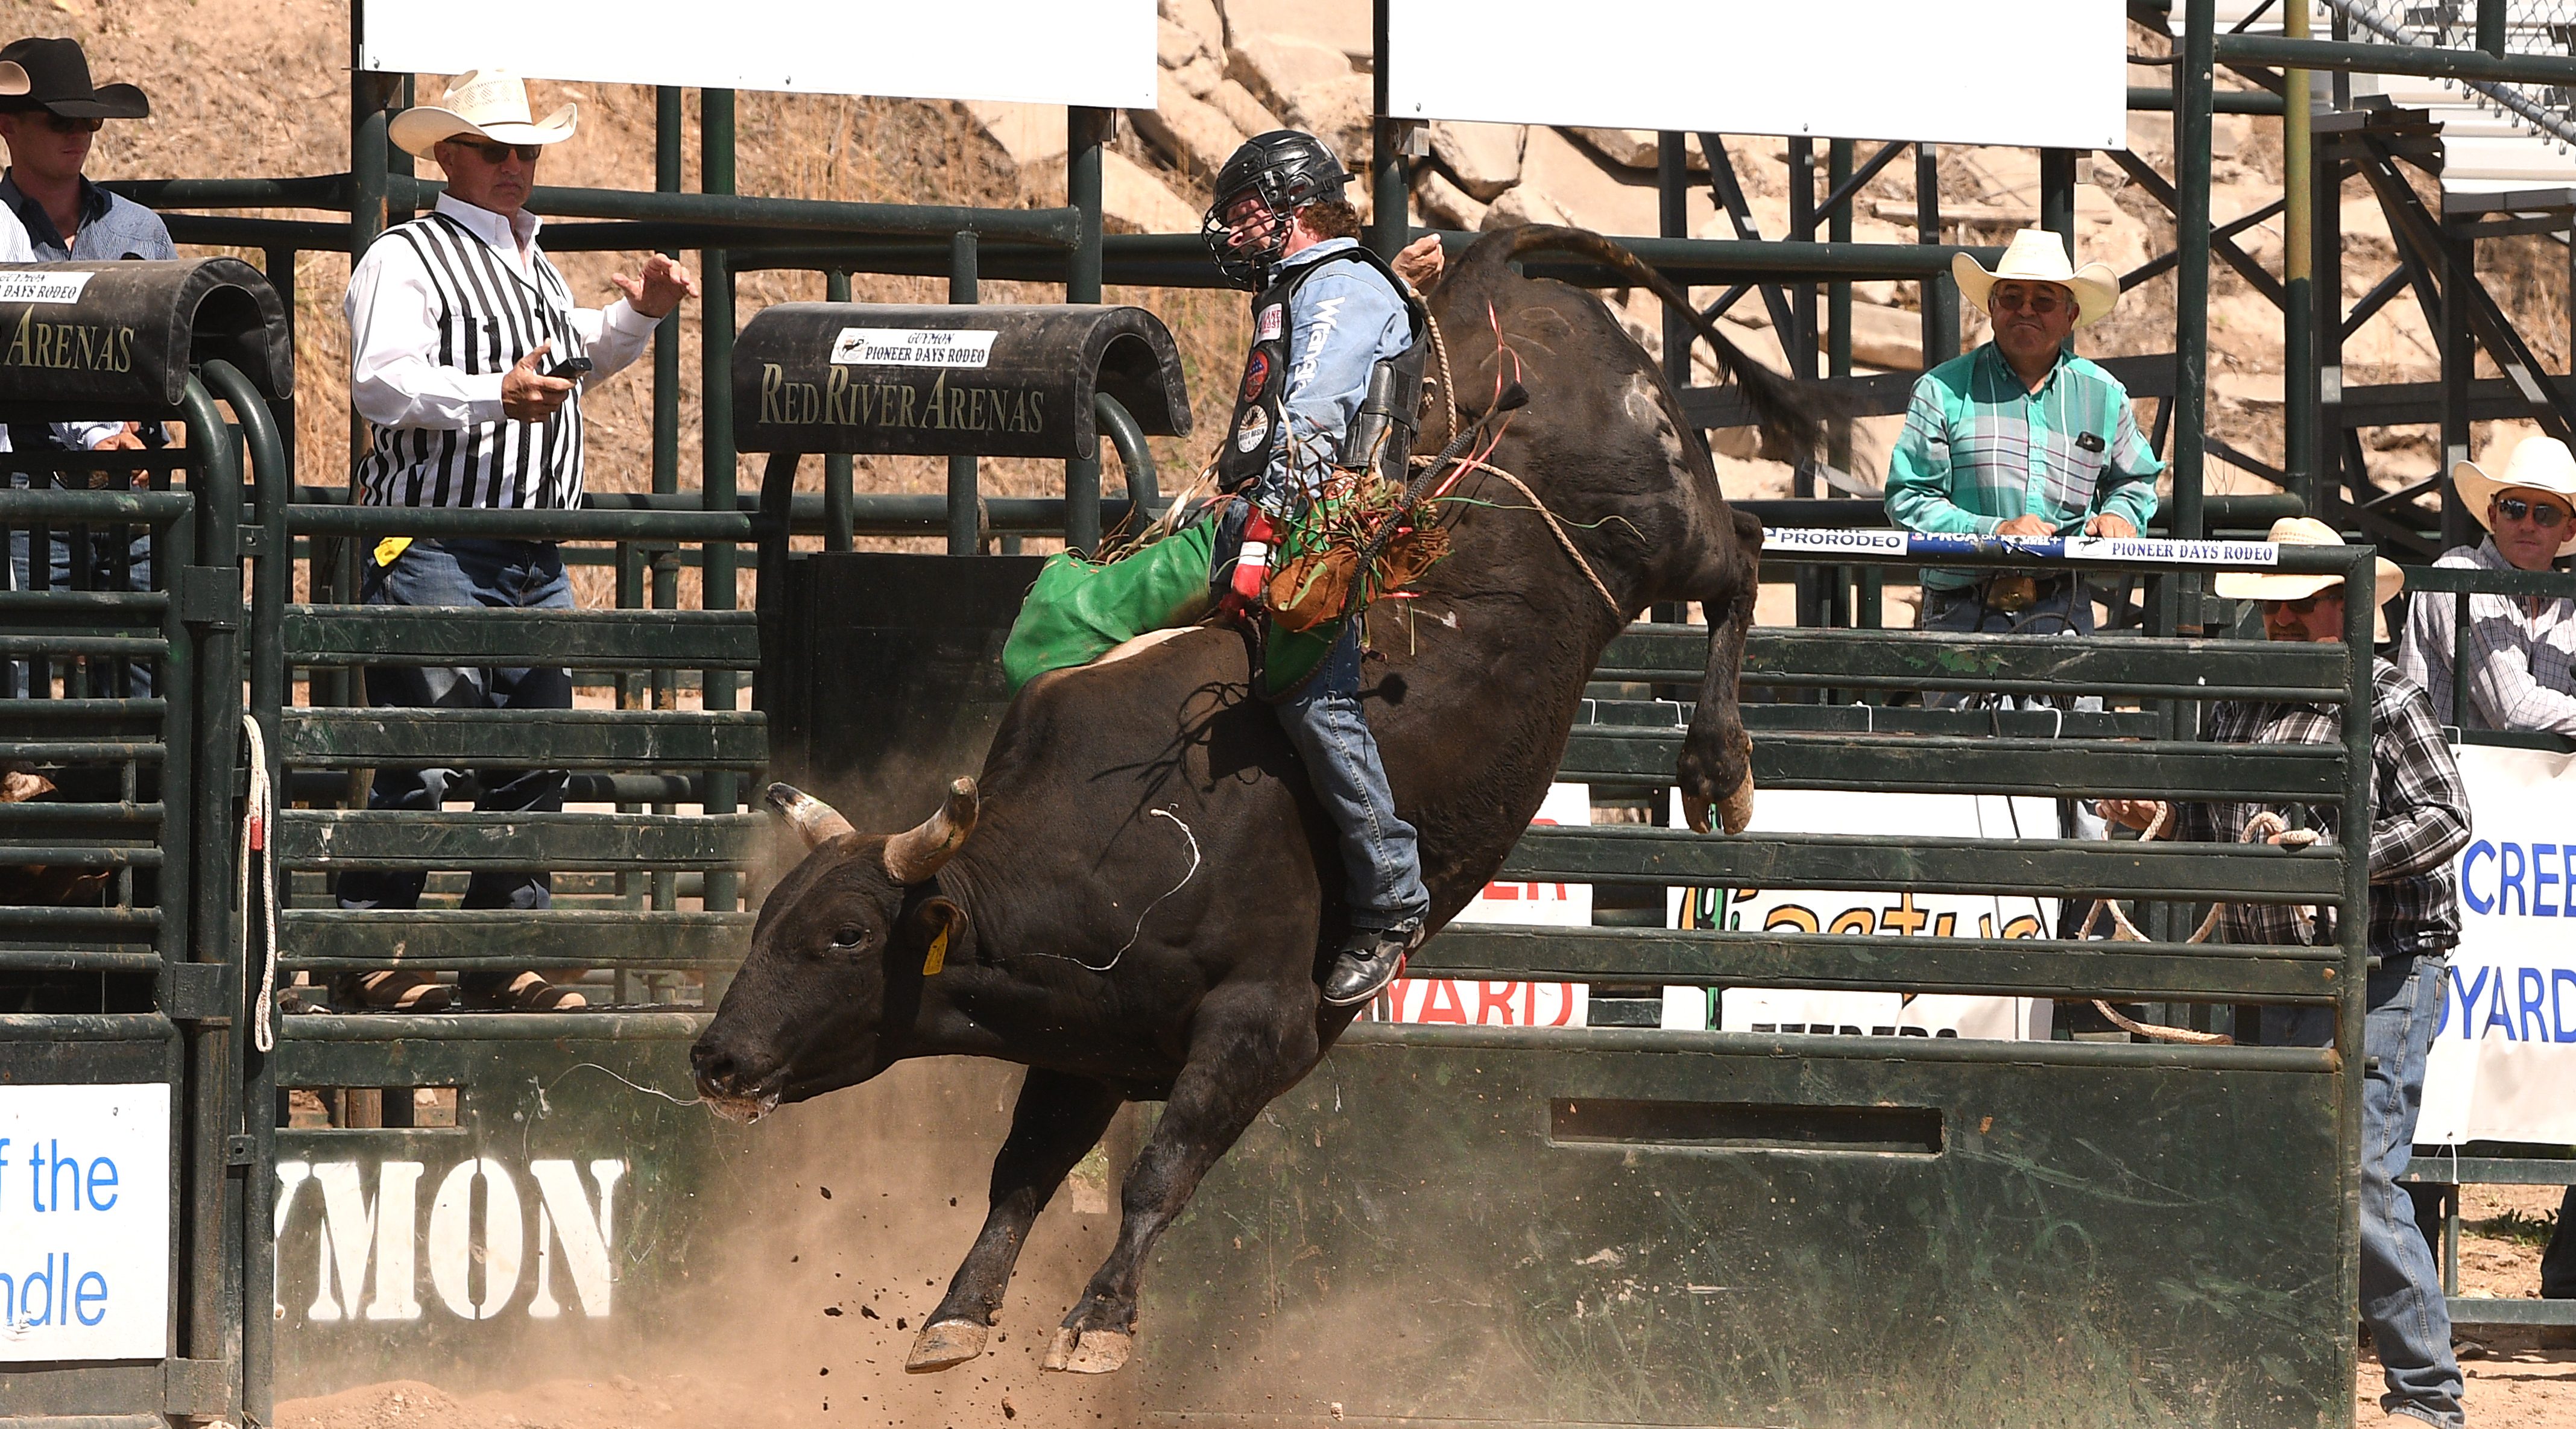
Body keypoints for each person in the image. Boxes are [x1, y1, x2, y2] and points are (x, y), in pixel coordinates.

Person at [335, 69, 698, 1012]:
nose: (513, 166)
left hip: (528, 551)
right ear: (446, 155)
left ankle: (500, 951)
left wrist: (642, 315)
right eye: (494, 149)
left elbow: (573, 354)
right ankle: (374, 946)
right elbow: (380, 382)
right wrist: (492, 394)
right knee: (430, 751)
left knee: (533, 753)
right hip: (433, 543)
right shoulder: (404, 255)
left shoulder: (532, 263)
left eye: (524, 150)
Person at [2102, 518, 2470, 1429]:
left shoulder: (2384, 698)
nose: (2279, 622)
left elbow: (2445, 816)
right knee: (2282, 1177)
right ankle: (2287, 1384)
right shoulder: (2242, 705)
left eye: (2296, 607)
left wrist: (2336, 858)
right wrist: (2148, 814)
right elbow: (2205, 828)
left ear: (2343, 608)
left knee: (2356, 1182)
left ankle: (2427, 1397)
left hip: (2381, 968)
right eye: (2269, 608)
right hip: (2281, 976)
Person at [1199, 130, 1444, 1008]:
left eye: (1244, 213)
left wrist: (1263, 535)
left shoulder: (1338, 283)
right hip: (1260, 513)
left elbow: (1313, 410)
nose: (1231, 231)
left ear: (1292, 211)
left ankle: (1390, 898)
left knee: (1314, 696)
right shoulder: (1316, 284)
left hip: (1312, 532)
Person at [2396, 434, 2576, 1306]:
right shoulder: (2451, 580)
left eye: (2546, 512)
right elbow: (2510, 706)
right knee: (2437, 1060)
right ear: (2490, 511)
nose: (2528, 524)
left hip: (2535, 871)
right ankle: (2406, 1290)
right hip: (2444, 855)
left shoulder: (2567, 603)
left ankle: (2569, 1269)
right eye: (2514, 506)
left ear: (2568, 526)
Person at [1885, 228, 2162, 639]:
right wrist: (1994, 532)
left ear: (2070, 317)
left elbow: (2135, 479)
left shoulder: (2103, 396)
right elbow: (1908, 499)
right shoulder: (1941, 391)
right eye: (2012, 298)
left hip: (2063, 610)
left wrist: (2120, 516)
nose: (2026, 310)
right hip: (1963, 612)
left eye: (2044, 300)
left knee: (2070, 707)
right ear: (1993, 309)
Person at [0, 38, 165, 682]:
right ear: (8, 125)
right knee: (25, 681)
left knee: (148, 673)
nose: (80, 135)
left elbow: (169, 348)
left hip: (136, 482)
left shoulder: (140, 231)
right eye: (60, 120)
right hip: (26, 484)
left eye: (89, 121)